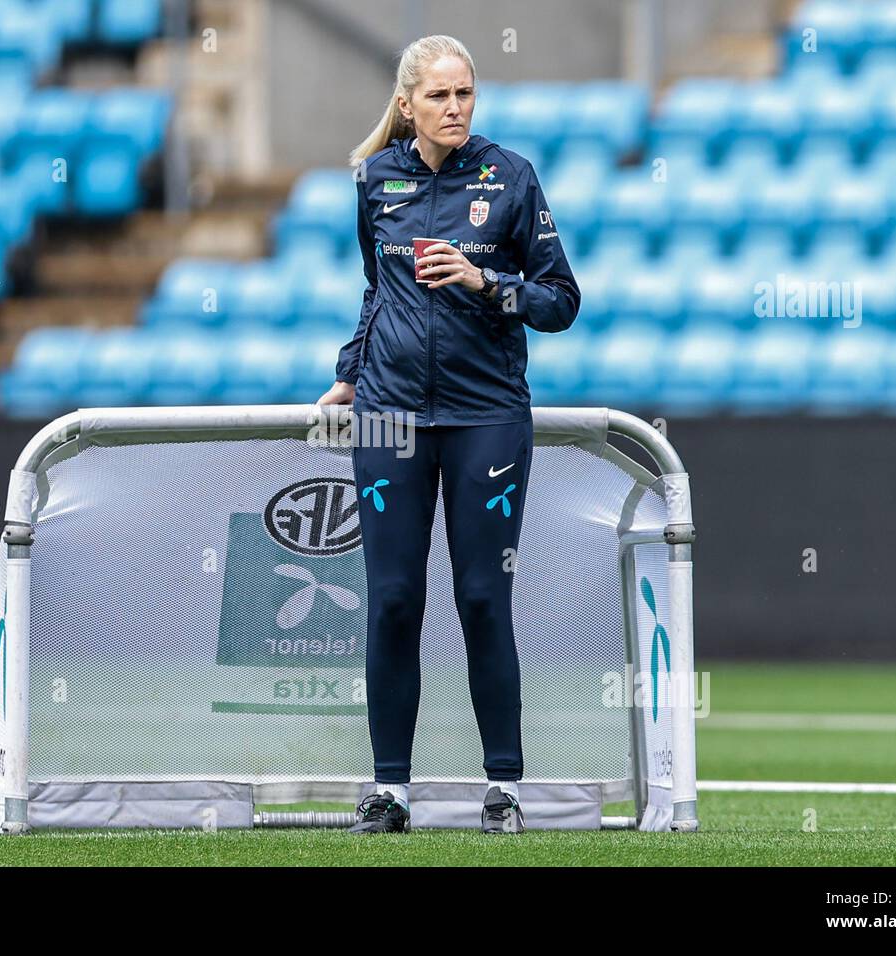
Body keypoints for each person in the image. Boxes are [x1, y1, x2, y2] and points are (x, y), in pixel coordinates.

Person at [316, 35, 581, 834]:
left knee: (481, 598)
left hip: (486, 416)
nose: (456, 107)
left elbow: (561, 300)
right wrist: (349, 372)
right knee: (393, 601)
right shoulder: (375, 181)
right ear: (407, 106)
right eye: (439, 96)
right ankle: (389, 792)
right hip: (391, 416)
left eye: (465, 93)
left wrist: (486, 281)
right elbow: (377, 292)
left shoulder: (512, 178)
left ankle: (504, 789)